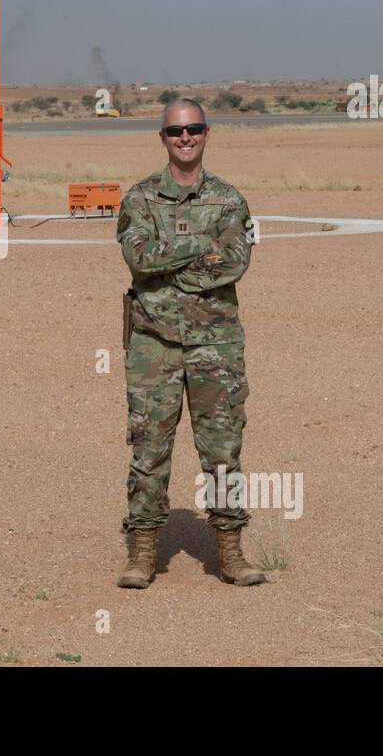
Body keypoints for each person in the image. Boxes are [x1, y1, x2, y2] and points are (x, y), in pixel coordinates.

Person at [116, 99, 265, 588]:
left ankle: (231, 551)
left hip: (215, 346)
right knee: (149, 449)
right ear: (162, 137)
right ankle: (142, 553)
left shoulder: (228, 199)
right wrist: (202, 244)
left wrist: (170, 266)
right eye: (176, 131)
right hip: (152, 345)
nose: (186, 138)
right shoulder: (139, 199)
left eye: (194, 129)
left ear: (206, 133)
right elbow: (138, 256)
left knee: (222, 449)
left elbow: (234, 263)